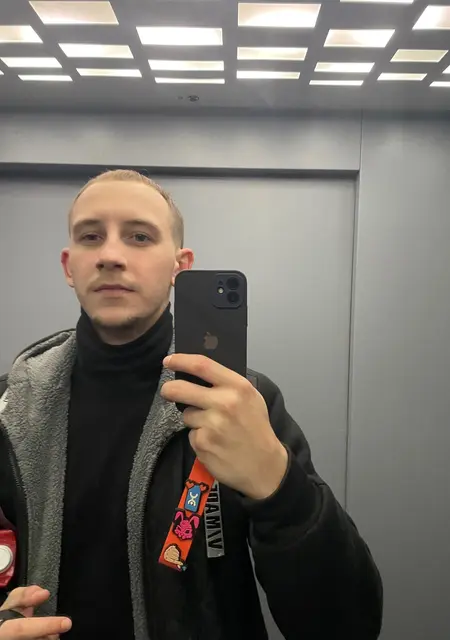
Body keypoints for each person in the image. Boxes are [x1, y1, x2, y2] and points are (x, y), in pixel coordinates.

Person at [0, 169, 383, 640]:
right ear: (68, 265)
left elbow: (347, 625)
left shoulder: (241, 402)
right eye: (91, 236)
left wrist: (278, 487)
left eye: (139, 236)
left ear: (180, 266)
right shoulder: (13, 409)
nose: (111, 255)